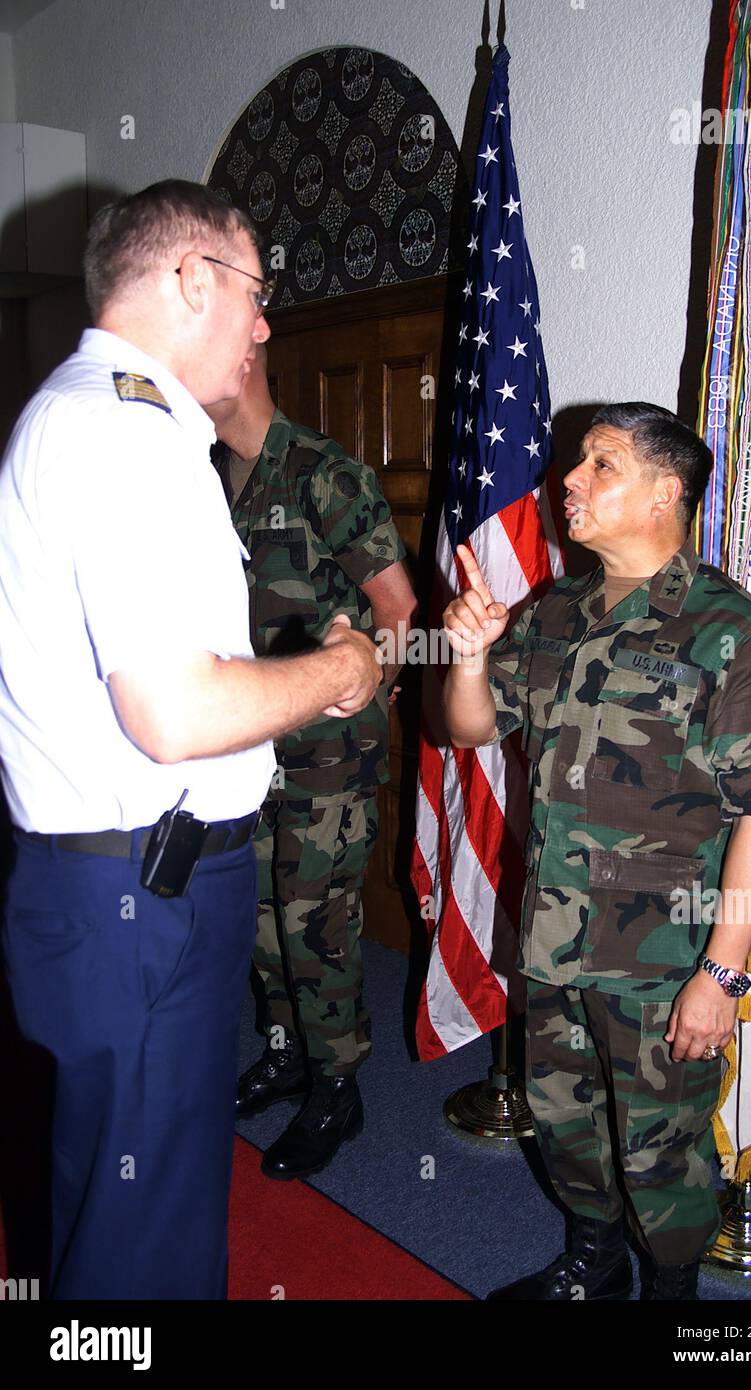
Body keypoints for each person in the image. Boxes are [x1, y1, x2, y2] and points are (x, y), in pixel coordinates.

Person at [0, 180, 381, 1300]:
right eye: (256, 295)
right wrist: (340, 671)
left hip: (106, 887)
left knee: (106, 1203)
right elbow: (173, 713)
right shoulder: (130, 436)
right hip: (145, 895)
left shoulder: (84, 411)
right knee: (145, 1242)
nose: (265, 327)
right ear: (190, 280)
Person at [441, 402, 751, 1301]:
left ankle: (674, 1298)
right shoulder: (554, 610)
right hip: (552, 935)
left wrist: (720, 978)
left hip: (659, 956)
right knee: (565, 1123)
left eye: (602, 465)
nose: (571, 479)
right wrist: (470, 656)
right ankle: (591, 1264)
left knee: (662, 1150)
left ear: (664, 494)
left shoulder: (731, 632)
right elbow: (471, 728)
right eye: (579, 462)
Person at [207, 345, 416, 1179]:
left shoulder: (324, 474)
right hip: (243, 740)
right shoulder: (200, 476)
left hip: (326, 756)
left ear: (248, 354)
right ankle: (289, 1051)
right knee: (259, 916)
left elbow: (397, 610)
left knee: (316, 926)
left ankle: (338, 1085)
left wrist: (374, 691)